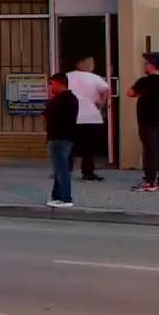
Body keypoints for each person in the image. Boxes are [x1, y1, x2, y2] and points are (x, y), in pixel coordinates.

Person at [128, 53, 159, 191]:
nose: (144, 65)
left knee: (151, 151)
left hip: (148, 120)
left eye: (146, 63)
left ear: (151, 64)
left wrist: (141, 94)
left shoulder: (145, 81)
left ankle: (150, 181)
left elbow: (130, 92)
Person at [66, 56, 110, 181]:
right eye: (91, 63)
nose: (93, 65)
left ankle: (65, 171)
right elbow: (106, 89)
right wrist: (101, 103)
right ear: (84, 63)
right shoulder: (95, 78)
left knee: (68, 145)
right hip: (91, 117)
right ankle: (87, 173)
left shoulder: (66, 76)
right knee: (88, 148)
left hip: (71, 116)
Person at [44, 72, 79, 208]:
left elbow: (46, 116)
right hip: (68, 137)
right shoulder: (72, 98)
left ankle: (65, 198)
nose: (50, 87)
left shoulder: (58, 100)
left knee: (61, 169)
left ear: (58, 84)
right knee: (61, 168)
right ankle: (57, 196)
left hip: (58, 137)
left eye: (51, 84)